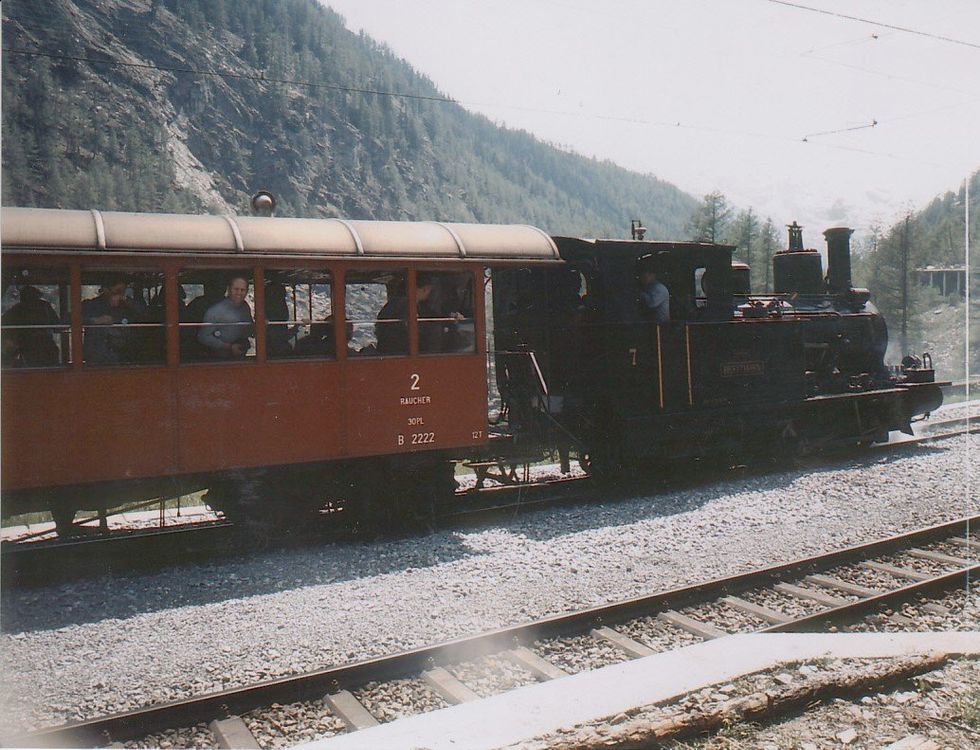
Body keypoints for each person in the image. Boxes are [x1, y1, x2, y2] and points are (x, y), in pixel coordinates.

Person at [82, 276, 148, 364]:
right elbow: (69, 319)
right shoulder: (91, 305)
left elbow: (147, 315)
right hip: (98, 357)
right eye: (117, 292)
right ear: (105, 290)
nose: (119, 296)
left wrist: (126, 300)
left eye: (123, 292)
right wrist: (95, 321)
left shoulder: (127, 305)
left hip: (126, 357)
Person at [1, 285, 61, 367]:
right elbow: (57, 325)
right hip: (44, 344)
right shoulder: (45, 306)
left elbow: (4, 322)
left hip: (29, 345)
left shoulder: (18, 308)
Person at [198, 275, 254, 358]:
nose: (239, 293)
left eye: (242, 290)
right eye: (236, 289)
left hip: (241, 354)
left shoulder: (245, 307)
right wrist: (229, 347)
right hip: (219, 358)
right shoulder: (215, 311)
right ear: (228, 289)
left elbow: (248, 329)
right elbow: (203, 337)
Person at [264, 282, 294, 357]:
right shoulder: (271, 309)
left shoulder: (279, 306)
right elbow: (280, 335)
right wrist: (298, 326)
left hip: (277, 346)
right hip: (273, 350)